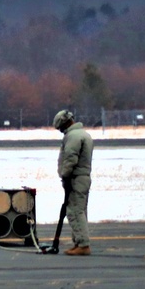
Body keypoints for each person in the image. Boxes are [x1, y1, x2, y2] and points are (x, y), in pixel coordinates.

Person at [54, 109, 94, 256]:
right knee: (81, 210)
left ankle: (83, 244)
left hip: (76, 178)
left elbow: (70, 158)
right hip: (83, 177)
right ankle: (79, 241)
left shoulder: (73, 136)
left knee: (75, 211)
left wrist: (64, 175)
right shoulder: (83, 134)